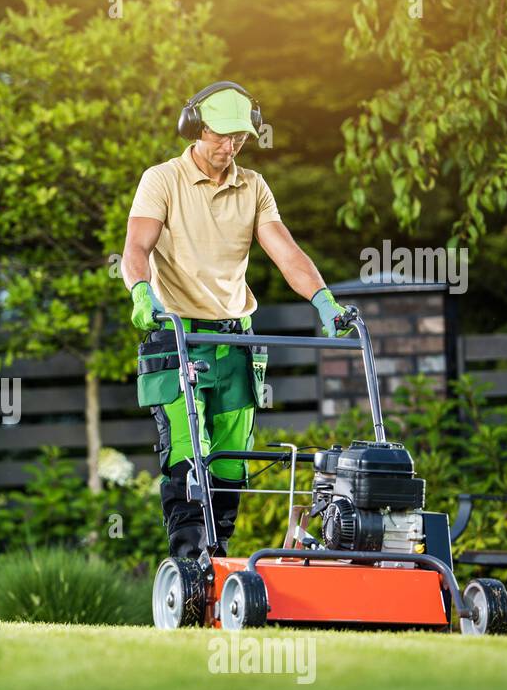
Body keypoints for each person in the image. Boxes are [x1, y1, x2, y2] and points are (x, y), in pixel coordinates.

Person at [119, 80, 350, 560]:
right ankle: (188, 566)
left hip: (236, 343)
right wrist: (141, 291)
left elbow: (286, 253)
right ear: (195, 127)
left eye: (240, 137)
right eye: (221, 136)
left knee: (230, 466)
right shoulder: (162, 180)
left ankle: (217, 561)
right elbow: (136, 248)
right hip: (178, 336)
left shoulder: (254, 187)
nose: (230, 146)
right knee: (188, 456)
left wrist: (324, 300)